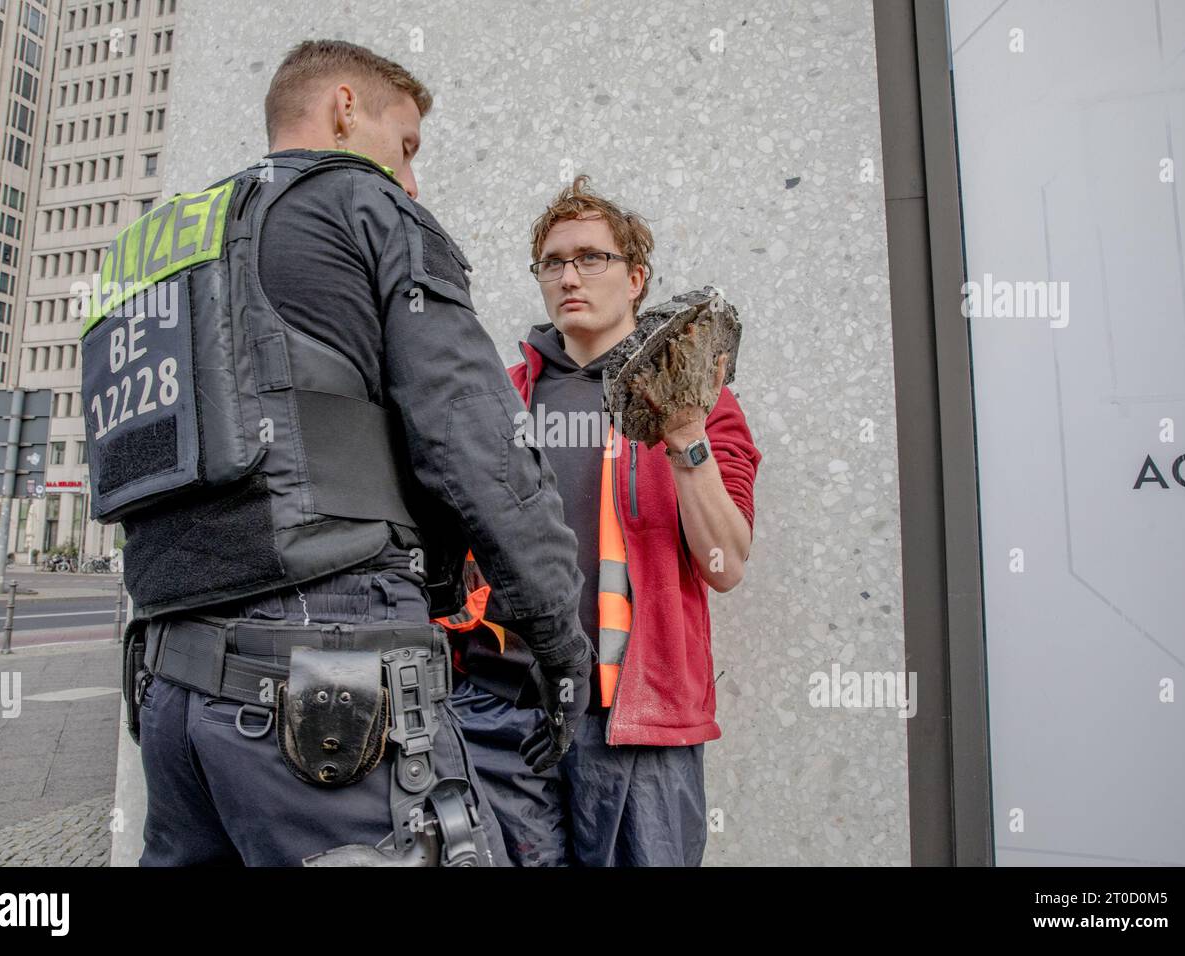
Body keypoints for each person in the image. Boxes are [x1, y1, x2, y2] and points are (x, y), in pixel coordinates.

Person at [82, 40, 592, 866]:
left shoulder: (159, 250)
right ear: (346, 107)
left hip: (171, 685)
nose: (412, 180)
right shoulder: (366, 206)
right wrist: (559, 638)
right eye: (408, 145)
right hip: (323, 671)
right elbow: (474, 442)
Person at [443, 176, 762, 866]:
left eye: (591, 257)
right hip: (501, 715)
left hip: (632, 726)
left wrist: (683, 431)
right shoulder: (501, 399)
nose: (569, 276)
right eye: (552, 263)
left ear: (637, 278)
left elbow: (726, 564)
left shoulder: (703, 406)